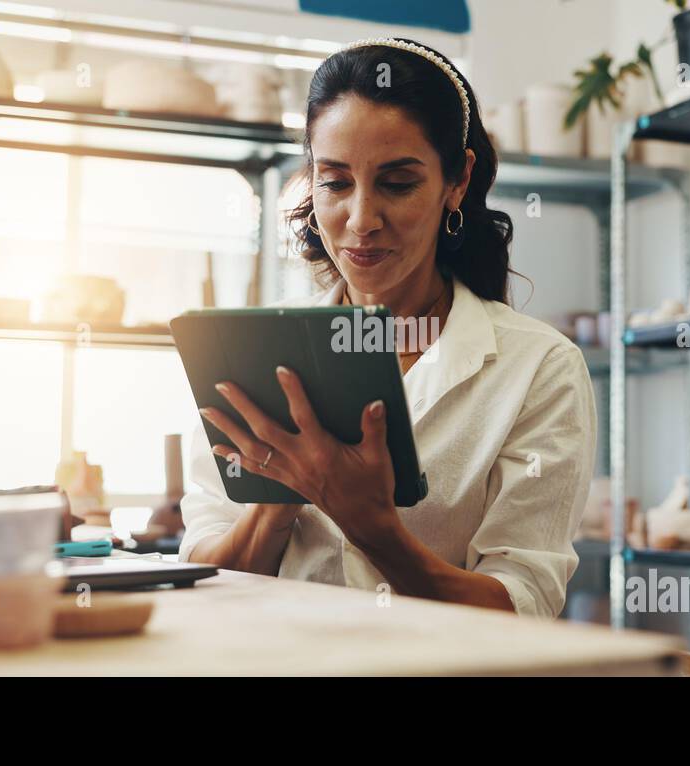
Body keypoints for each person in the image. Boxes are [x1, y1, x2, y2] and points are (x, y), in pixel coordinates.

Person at [180, 37, 596, 618]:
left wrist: (375, 529)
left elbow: (524, 602)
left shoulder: (538, 368)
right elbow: (207, 586)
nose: (361, 220)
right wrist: (281, 494)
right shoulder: (252, 352)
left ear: (458, 181)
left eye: (397, 183)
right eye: (335, 182)